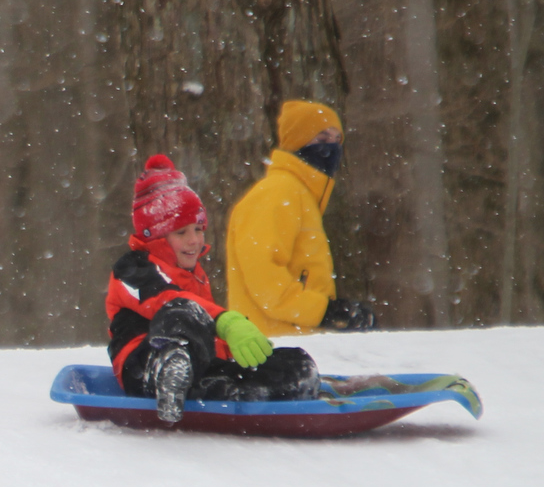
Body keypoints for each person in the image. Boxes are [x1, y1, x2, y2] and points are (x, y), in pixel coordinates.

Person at [107, 155, 317, 424]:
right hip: (143, 366)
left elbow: (205, 335)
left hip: (200, 367)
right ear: (155, 236)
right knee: (186, 311)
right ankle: (169, 374)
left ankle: (237, 393)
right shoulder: (133, 268)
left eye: (198, 229)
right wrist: (225, 321)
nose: (194, 240)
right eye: (181, 232)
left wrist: (243, 356)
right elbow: (168, 301)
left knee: (295, 364)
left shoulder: (194, 274)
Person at [224, 99, 378, 337]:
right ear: (297, 142)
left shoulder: (301, 197)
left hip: (294, 343)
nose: (331, 149)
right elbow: (265, 281)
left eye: (337, 140)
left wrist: (336, 314)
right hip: (272, 347)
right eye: (322, 139)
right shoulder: (277, 193)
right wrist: (324, 311)